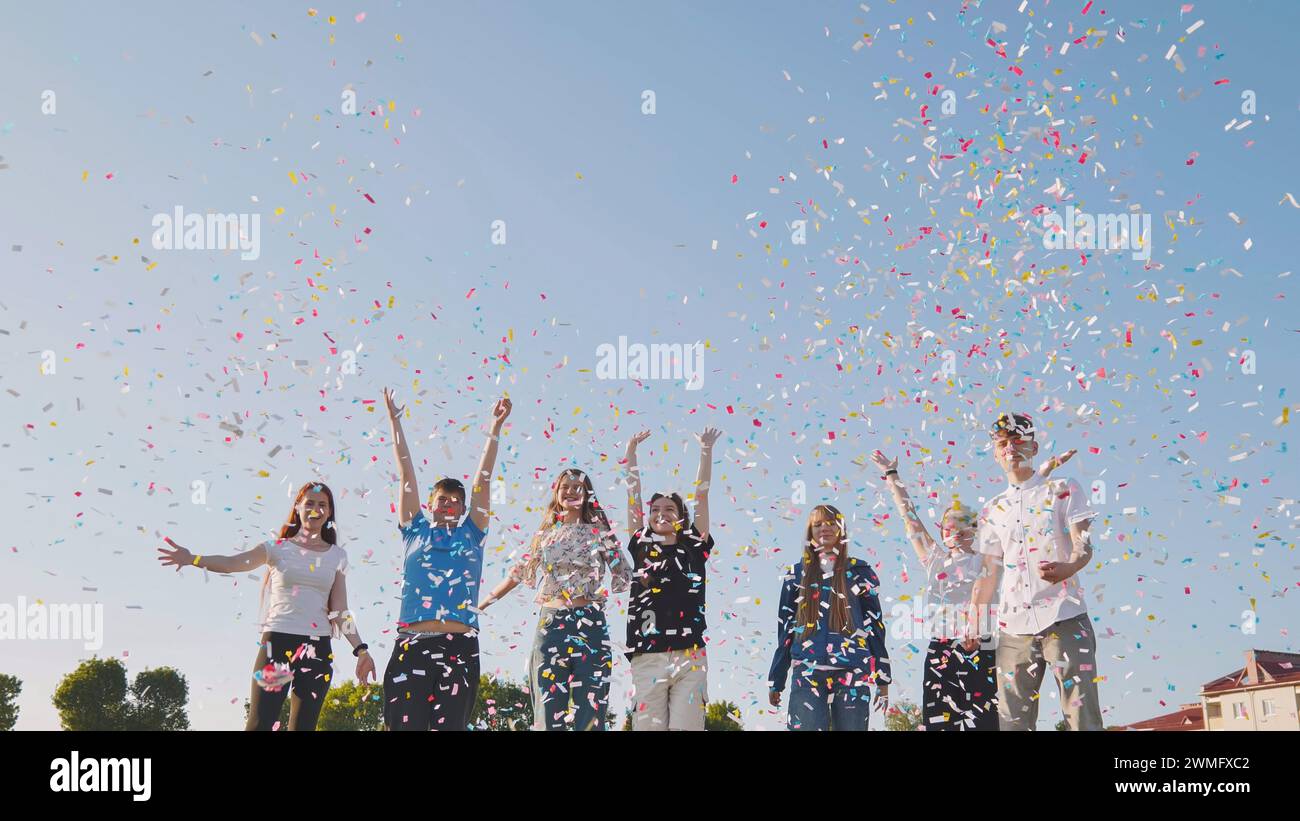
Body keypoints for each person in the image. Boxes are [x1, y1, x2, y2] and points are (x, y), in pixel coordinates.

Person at [157, 481, 374, 731]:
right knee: (260, 724)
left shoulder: (337, 556)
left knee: (303, 727)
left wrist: (361, 649)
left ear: (329, 513)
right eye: (310, 503)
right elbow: (232, 563)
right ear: (298, 508)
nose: (316, 509)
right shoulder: (276, 549)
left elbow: (340, 609)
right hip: (278, 645)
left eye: (322, 505)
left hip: (317, 649)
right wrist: (193, 559)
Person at [382, 387, 511, 730]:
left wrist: (494, 429)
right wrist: (395, 422)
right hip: (411, 645)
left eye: (456, 499)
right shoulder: (415, 530)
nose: (449, 504)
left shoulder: (472, 533)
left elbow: (482, 480)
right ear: (431, 503)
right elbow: (406, 472)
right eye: (442, 499)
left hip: (460, 647)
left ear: (464, 506)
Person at [968, 412, 1102, 731]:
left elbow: (1083, 544)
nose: (1010, 448)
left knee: (1082, 717)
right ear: (996, 452)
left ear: (1034, 446)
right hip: (1013, 629)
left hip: (1065, 617)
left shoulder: (1062, 488)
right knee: (1011, 722)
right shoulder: (992, 509)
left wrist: (1070, 566)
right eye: (1002, 443)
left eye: (1017, 441)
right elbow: (988, 574)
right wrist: (974, 621)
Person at [479, 468, 632, 730]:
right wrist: (480, 606)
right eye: (566, 486)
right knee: (548, 708)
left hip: (590, 624)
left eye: (578, 487)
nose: (571, 491)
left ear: (587, 494)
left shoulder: (600, 532)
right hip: (551, 625)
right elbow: (518, 574)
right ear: (557, 492)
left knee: (591, 707)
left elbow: (627, 572)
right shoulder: (545, 535)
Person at [621, 427, 721, 731]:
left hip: (689, 655)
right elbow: (632, 495)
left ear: (681, 516)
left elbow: (702, 494)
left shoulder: (694, 545)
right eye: (655, 510)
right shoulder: (641, 545)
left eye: (669, 509)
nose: (660, 513)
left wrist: (705, 450)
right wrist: (631, 453)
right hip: (647, 655)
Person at [767, 504, 891, 731]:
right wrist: (777, 677)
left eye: (831, 523)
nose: (824, 528)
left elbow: (875, 626)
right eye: (817, 524)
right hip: (807, 674)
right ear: (809, 531)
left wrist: (882, 677)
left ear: (841, 528)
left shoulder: (860, 572)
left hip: (852, 673)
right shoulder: (795, 575)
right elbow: (785, 630)